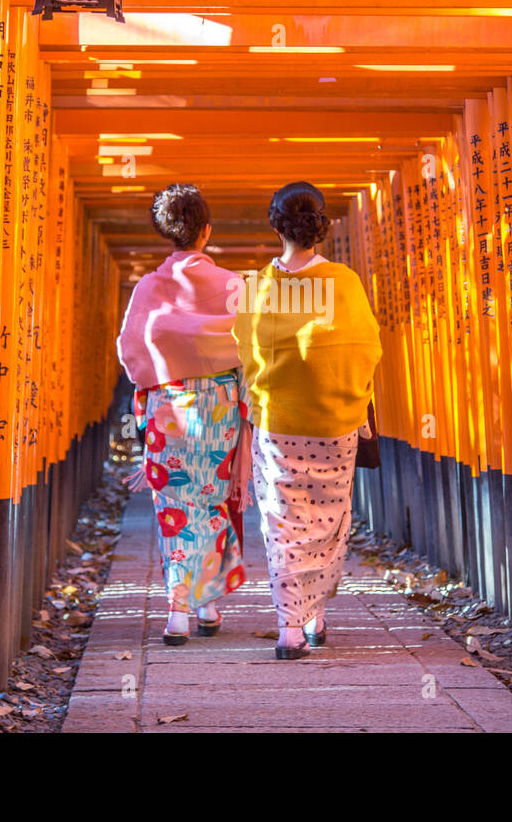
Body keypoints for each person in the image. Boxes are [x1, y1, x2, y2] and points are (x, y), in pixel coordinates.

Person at [232, 181, 382, 659]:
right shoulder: (345, 282)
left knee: (283, 523)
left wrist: (256, 405)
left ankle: (290, 628)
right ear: (321, 226)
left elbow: (245, 355)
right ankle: (313, 616)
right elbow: (365, 349)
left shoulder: (258, 286)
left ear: (276, 224)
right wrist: (356, 403)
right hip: (335, 423)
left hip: (278, 423)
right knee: (327, 522)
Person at [116, 184, 250, 645]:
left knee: (175, 505)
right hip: (220, 405)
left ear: (164, 232)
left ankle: (179, 611)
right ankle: (206, 603)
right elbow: (252, 348)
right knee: (211, 499)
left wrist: (155, 379)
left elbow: (131, 349)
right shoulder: (234, 284)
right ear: (206, 231)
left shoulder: (150, 287)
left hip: (168, 405)